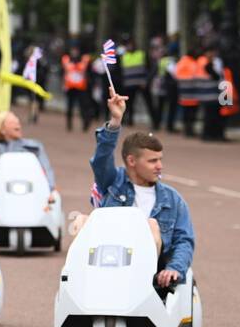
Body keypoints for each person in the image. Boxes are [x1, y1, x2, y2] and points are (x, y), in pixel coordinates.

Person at [82, 92, 195, 289]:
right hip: (107, 263)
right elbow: (101, 159)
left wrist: (174, 269)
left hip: (151, 278)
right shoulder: (112, 182)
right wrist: (116, 120)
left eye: (160, 159)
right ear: (132, 161)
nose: (159, 166)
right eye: (152, 161)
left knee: (152, 225)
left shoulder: (173, 199)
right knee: (81, 221)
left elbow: (184, 241)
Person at [0, 110, 58, 204]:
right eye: (12, 122)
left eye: (18, 121)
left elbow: (47, 169)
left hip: (32, 190)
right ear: (2, 130)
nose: (18, 124)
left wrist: (49, 190)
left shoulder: (34, 146)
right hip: (4, 193)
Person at [61, 45, 94, 132]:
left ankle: (85, 124)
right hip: (70, 87)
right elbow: (63, 72)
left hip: (81, 87)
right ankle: (69, 124)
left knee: (83, 106)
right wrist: (63, 84)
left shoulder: (85, 60)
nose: (74, 52)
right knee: (69, 107)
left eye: (76, 50)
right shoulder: (66, 59)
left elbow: (90, 73)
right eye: (73, 50)